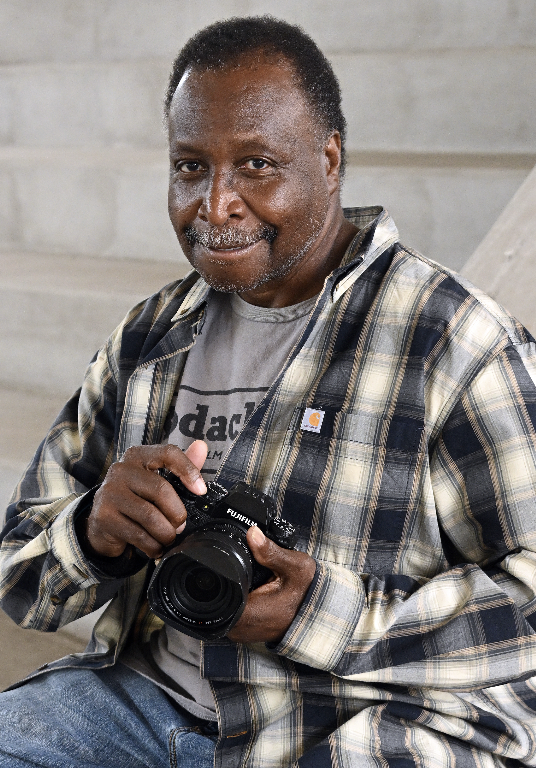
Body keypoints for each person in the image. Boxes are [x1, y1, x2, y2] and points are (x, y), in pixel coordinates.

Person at [1, 15, 536, 768]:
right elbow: (18, 577)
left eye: (255, 164)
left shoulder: (455, 342)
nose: (215, 203)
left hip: (359, 717)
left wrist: (320, 612)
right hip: (148, 703)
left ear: (329, 160)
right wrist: (95, 530)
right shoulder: (149, 334)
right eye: (190, 166)